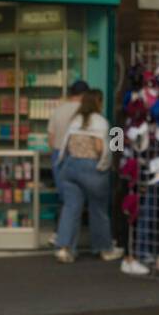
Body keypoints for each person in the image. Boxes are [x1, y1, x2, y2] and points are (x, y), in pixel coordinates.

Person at [54, 89, 124, 263]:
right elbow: (101, 147)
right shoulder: (101, 121)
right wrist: (108, 164)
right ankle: (104, 248)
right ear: (98, 103)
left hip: (70, 167)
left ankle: (64, 248)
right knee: (98, 210)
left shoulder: (75, 120)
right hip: (92, 168)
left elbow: (65, 144)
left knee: (70, 208)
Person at [48, 79, 88, 176]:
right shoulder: (86, 112)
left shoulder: (58, 111)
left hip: (58, 153)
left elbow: (51, 140)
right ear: (84, 95)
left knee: (62, 189)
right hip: (79, 155)